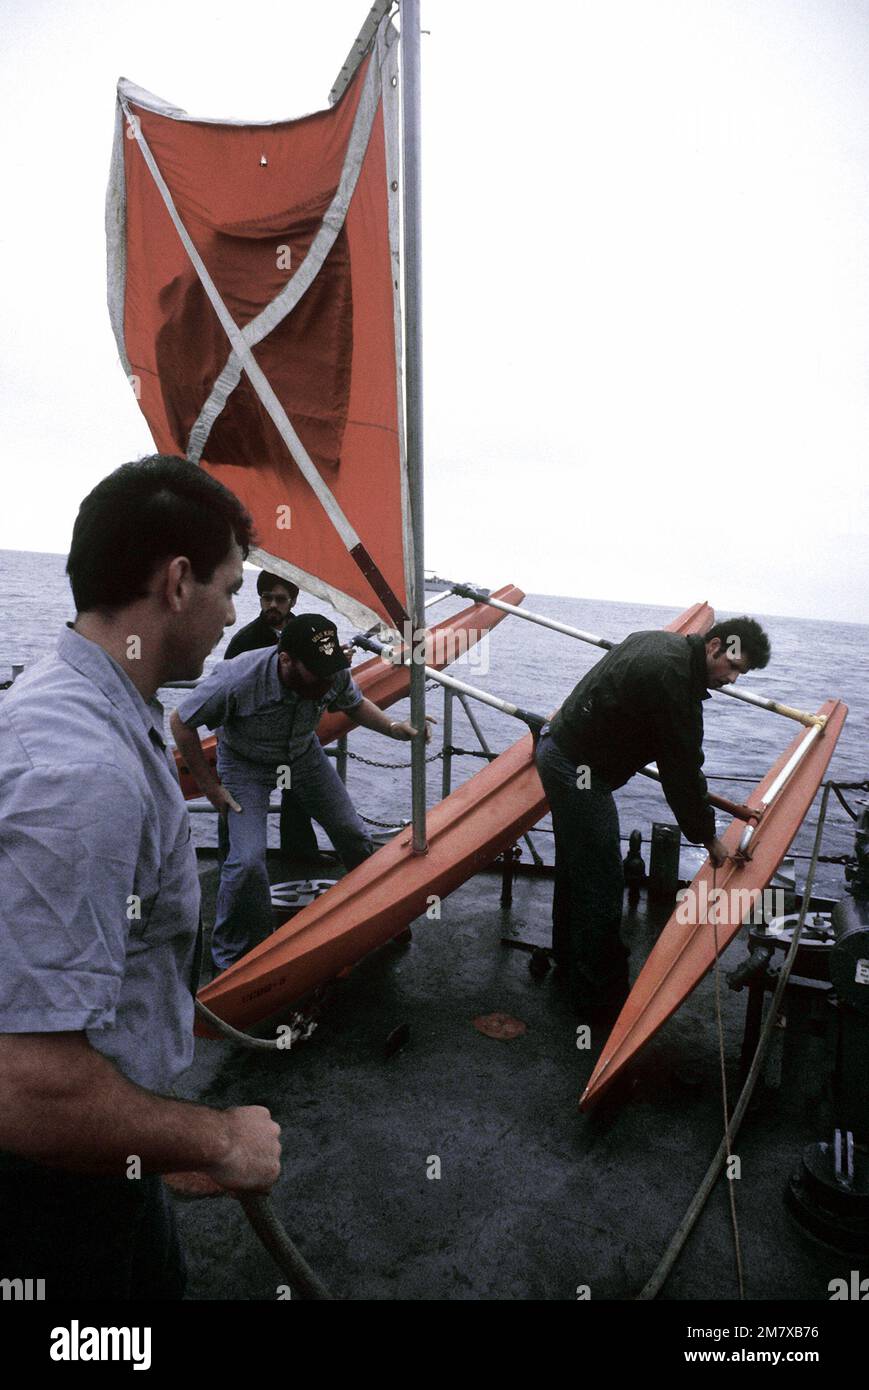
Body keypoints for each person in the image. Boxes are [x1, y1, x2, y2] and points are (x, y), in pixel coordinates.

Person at [0, 455, 282, 1300]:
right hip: (49, 1195)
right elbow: (26, 1089)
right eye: (231, 590)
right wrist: (216, 1140)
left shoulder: (92, 704)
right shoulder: (83, 773)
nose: (235, 616)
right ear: (178, 581)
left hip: (109, 1155)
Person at [534, 617, 771, 1020]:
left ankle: (567, 960)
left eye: (740, 673)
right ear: (714, 646)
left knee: (578, 869)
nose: (732, 680)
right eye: (732, 667)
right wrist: (708, 838)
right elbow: (681, 770)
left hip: (558, 748)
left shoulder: (658, 642)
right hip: (577, 770)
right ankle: (599, 1003)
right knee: (602, 883)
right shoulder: (675, 683)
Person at [171, 614, 432, 973]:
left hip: (302, 754)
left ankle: (381, 916)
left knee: (353, 834)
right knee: (246, 861)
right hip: (246, 762)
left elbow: (353, 703)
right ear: (286, 660)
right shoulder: (237, 678)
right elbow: (181, 722)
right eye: (317, 673)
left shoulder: (330, 668)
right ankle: (232, 958)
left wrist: (393, 727)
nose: (326, 680)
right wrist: (211, 787)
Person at [223, 570, 321, 860]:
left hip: (292, 734)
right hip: (251, 738)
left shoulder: (306, 634)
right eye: (267, 598)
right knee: (241, 806)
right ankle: (235, 860)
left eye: (280, 599)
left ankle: (300, 855)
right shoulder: (244, 641)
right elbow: (225, 690)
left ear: (292, 601)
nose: (272, 605)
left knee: (298, 795)